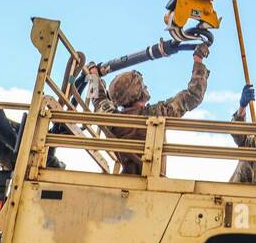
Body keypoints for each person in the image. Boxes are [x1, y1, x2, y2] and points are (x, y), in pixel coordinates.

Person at [86, 43, 210, 174]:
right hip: (151, 182)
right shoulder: (154, 116)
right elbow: (193, 96)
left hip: (126, 180)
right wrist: (198, 61)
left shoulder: (113, 120)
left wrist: (93, 75)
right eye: (142, 85)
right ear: (137, 92)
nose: (146, 87)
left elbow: (98, 99)